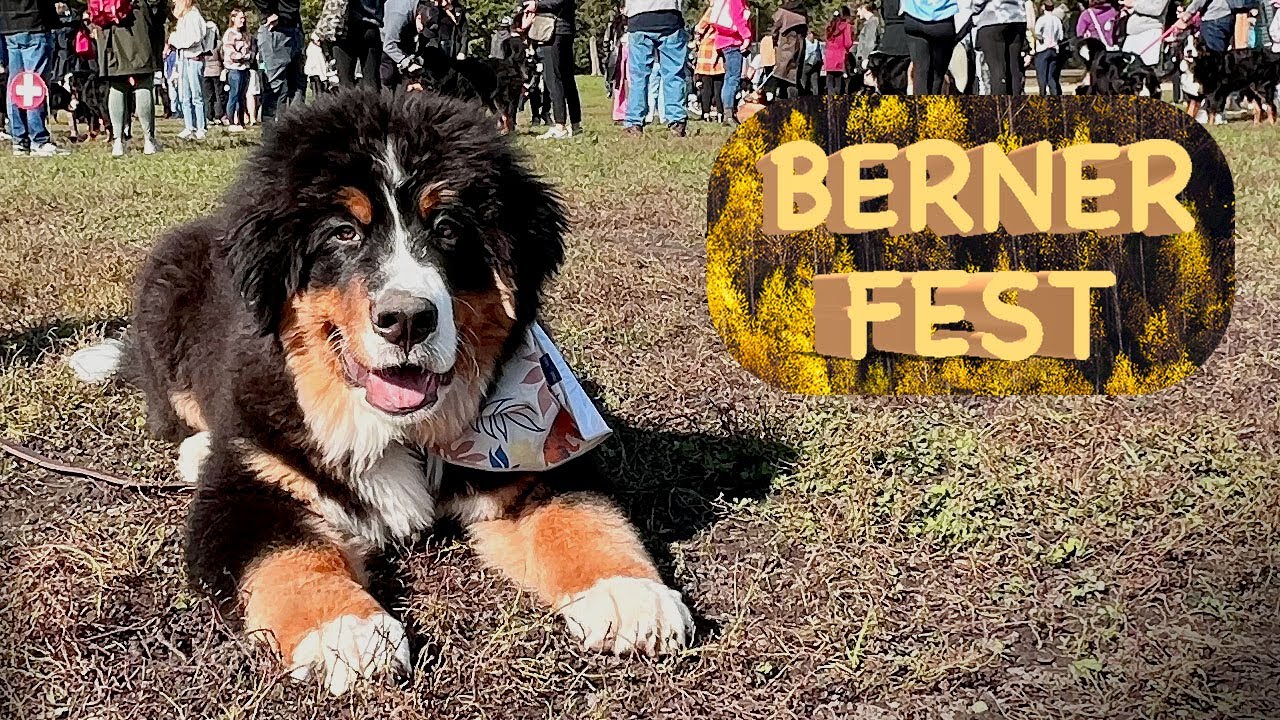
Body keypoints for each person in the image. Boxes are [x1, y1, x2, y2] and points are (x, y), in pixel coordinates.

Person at [95, 0, 164, 155]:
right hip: (137, 26)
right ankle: (149, 140)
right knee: (143, 83)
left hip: (108, 29)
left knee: (117, 85)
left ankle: (118, 141)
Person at [1, 0, 67, 156]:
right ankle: (39, 139)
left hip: (9, 25)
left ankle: (19, 140)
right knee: (35, 84)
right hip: (35, 22)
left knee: (16, 85)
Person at [621, 0, 684, 136]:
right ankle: (676, 120)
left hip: (639, 17)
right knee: (674, 73)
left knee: (639, 76)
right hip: (670, 16)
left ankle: (634, 122)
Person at [698, 0, 751, 125]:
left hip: (723, 41)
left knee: (728, 78)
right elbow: (738, 17)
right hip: (733, 41)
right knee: (733, 78)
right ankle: (728, 112)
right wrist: (746, 36)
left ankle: (726, 111)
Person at [254, 0, 304, 119]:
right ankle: (271, 133)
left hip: (294, 27)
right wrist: (270, 12)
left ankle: (293, 129)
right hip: (277, 31)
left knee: (298, 86)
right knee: (276, 87)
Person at [169, 0, 208, 140]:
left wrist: (176, 41)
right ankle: (188, 126)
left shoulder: (193, 16)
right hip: (183, 58)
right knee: (184, 95)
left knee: (196, 94)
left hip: (193, 58)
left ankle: (201, 127)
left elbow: (195, 38)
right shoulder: (183, 18)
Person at [901, 0, 959, 94]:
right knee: (937, 74)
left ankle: (920, 106)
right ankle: (931, 105)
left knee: (920, 71)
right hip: (942, 19)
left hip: (913, 17)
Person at [973, 0, 1027, 94]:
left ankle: (1000, 104)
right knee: (1014, 68)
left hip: (993, 17)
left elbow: (977, 2)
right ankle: (1016, 102)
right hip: (1018, 17)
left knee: (997, 69)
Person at [329, 0, 382, 88]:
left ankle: (348, 100)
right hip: (371, 24)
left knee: (345, 81)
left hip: (346, 27)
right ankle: (373, 100)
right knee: (371, 80)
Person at [768, 0, 807, 99]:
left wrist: (774, 40)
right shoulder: (802, 12)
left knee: (780, 73)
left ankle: (771, 94)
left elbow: (775, 29)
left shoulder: (783, 12)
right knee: (792, 77)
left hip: (785, 44)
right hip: (799, 46)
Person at [223, 8, 251, 131]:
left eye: (244, 18)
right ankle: (231, 122)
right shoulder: (229, 34)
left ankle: (240, 122)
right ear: (233, 19)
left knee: (242, 96)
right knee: (233, 95)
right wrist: (242, 57)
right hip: (234, 69)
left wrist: (249, 57)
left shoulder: (245, 35)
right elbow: (230, 53)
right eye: (240, 18)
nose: (243, 20)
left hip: (245, 69)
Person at [693, 21, 724, 119]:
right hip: (719, 49)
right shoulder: (722, 15)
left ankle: (706, 113)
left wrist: (698, 39)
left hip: (706, 52)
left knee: (706, 88)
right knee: (718, 88)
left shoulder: (710, 14)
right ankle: (720, 113)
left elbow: (699, 28)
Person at [1034, 0, 1064, 93]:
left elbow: (1037, 33)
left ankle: (1042, 96)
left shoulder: (1041, 19)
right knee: (1051, 77)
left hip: (1043, 49)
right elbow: (1061, 36)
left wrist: (1041, 39)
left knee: (1042, 78)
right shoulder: (1057, 20)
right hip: (1054, 49)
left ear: (1043, 7)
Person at [200, 19, 225, 125]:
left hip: (205, 72)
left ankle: (209, 116)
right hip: (217, 71)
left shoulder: (202, 44)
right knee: (218, 95)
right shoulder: (219, 44)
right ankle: (218, 116)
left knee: (208, 96)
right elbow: (222, 57)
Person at [824, 7, 854, 94]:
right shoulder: (846, 26)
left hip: (829, 57)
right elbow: (847, 43)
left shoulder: (830, 26)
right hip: (840, 56)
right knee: (838, 82)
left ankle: (830, 103)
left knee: (829, 81)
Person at [855, 2, 883, 72]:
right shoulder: (869, 23)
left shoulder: (872, 22)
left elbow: (870, 43)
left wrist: (865, 59)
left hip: (867, 61)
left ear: (864, 9)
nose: (858, 14)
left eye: (858, 11)